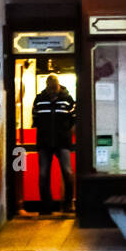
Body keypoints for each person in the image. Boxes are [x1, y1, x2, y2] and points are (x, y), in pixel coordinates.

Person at [31, 73, 76, 216]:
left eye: (54, 89)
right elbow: (35, 119)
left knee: (66, 173)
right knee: (45, 174)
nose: (52, 93)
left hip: (62, 141)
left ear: (58, 86)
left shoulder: (68, 100)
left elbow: (74, 120)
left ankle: (67, 203)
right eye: (50, 89)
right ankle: (47, 206)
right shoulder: (39, 100)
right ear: (47, 87)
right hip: (45, 142)